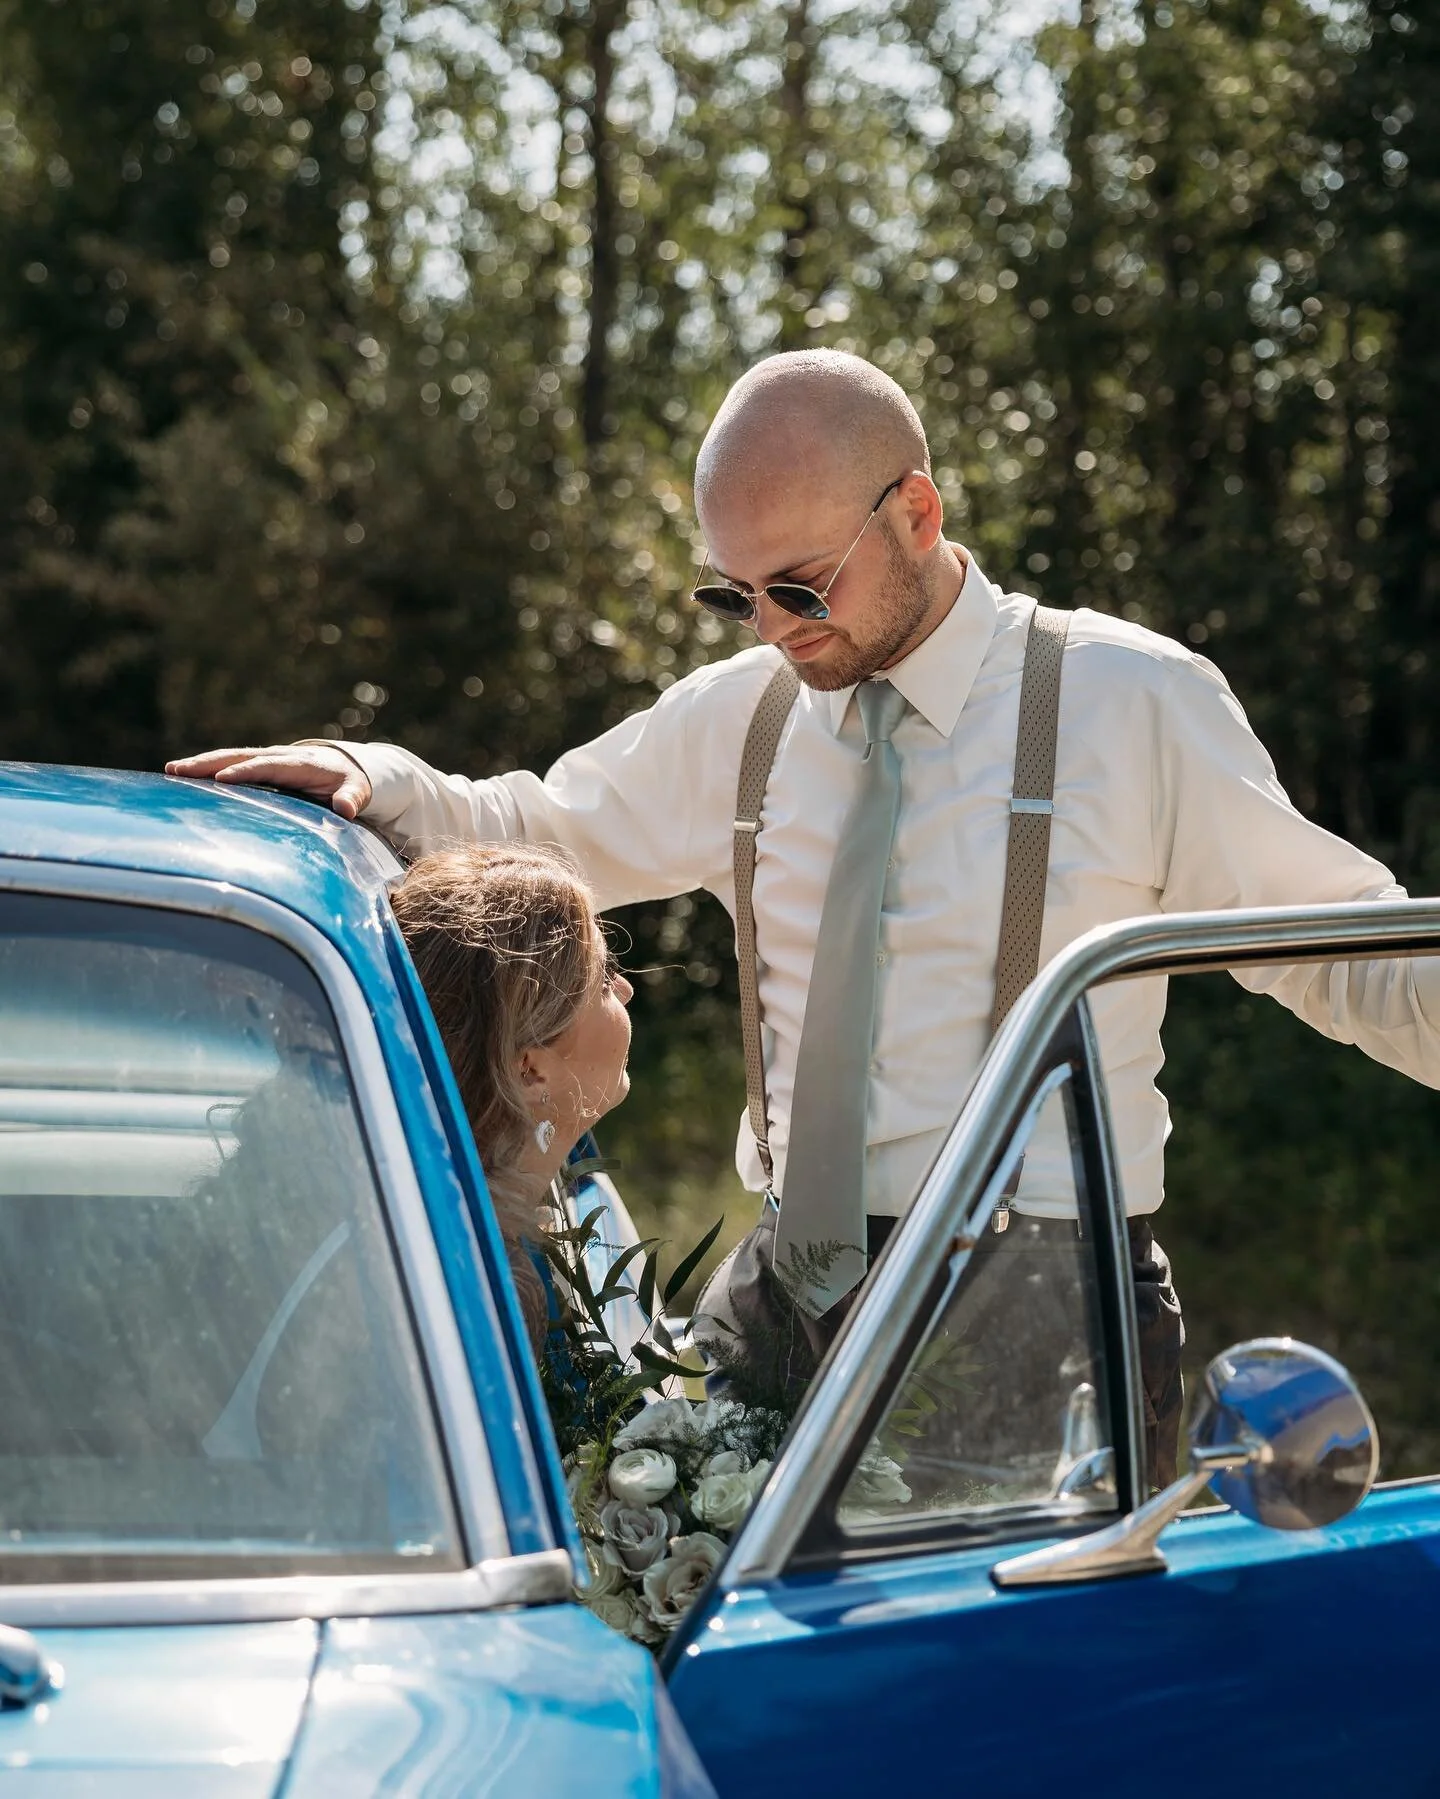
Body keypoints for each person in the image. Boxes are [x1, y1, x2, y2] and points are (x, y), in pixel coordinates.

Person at [169, 347, 1440, 1486]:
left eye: (801, 588)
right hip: (785, 1285)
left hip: (1039, 1307)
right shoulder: (747, 715)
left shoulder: (1129, 700)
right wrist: (370, 778)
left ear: (919, 512)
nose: (773, 629)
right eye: (737, 597)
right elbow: (547, 830)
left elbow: (1348, 951)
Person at [388, 841, 634, 1349]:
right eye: (604, 983)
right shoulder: (484, 1300)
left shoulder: (551, 1189)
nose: (627, 990)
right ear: (529, 1071)